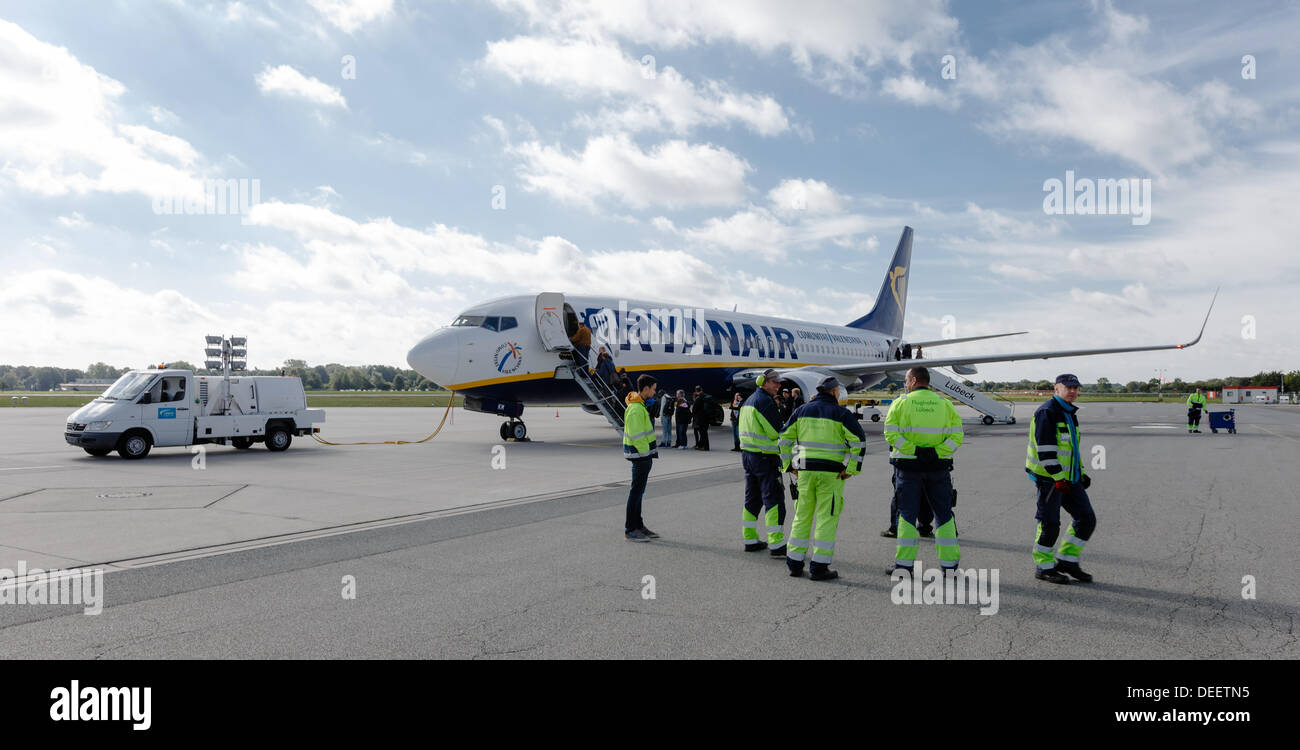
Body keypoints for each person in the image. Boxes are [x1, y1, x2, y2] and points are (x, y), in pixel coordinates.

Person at [778, 376, 867, 581]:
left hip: (805, 472)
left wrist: (788, 466)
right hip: (831, 474)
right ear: (834, 392)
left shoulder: (800, 411)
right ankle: (819, 567)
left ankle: (794, 563)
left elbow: (783, 440)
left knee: (802, 516)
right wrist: (851, 469)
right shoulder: (841, 413)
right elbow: (859, 442)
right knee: (826, 518)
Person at [883, 367, 962, 576]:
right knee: (944, 516)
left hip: (908, 468)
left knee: (907, 516)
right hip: (938, 468)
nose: (905, 384)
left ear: (914, 380)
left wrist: (914, 450)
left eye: (906, 380)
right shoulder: (945, 405)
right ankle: (950, 567)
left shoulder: (901, 403)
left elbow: (890, 434)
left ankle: (904, 567)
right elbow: (957, 437)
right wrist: (936, 452)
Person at [1026, 373, 1096, 584]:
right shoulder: (1047, 412)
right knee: (1049, 524)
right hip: (1050, 479)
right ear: (1056, 389)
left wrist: (1080, 473)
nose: (1073, 391)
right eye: (1068, 387)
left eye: (1076, 388)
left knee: (1086, 519)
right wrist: (1058, 478)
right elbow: (1045, 451)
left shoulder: (1069, 412)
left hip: (1069, 478)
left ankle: (1067, 560)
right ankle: (1044, 566)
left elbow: (1072, 449)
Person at [739, 369, 788, 557]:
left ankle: (749, 539)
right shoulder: (765, 402)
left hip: (748, 457)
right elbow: (776, 432)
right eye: (774, 382)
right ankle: (776, 545)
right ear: (763, 382)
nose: (778, 385)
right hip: (765, 458)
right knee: (774, 500)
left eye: (779, 382)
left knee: (752, 499)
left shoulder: (749, 401)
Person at [622, 374, 660, 542]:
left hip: (644, 456)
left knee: (639, 492)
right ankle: (630, 529)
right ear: (645, 389)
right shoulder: (636, 409)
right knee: (636, 493)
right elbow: (637, 437)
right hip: (641, 457)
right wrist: (647, 455)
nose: (654, 392)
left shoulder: (639, 406)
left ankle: (638, 525)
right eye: (653, 389)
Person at [691, 385, 711, 450]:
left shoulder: (699, 398)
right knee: (705, 433)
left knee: (702, 433)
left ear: (696, 391)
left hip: (701, 418)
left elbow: (694, 409)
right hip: (707, 417)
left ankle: (704, 447)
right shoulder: (707, 396)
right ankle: (705, 446)